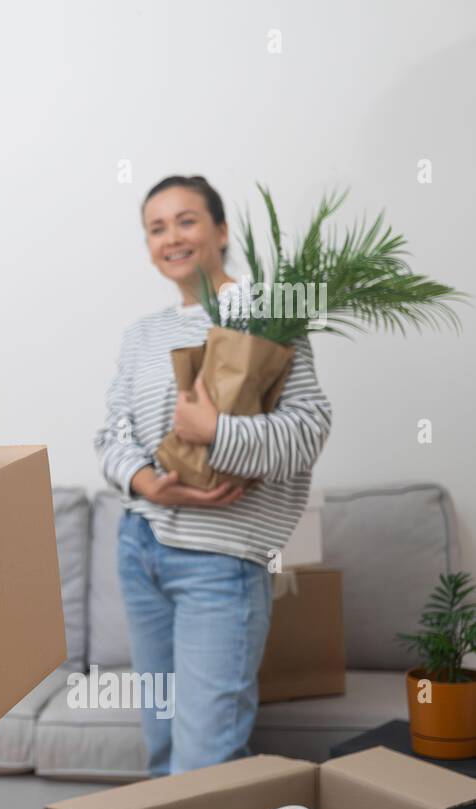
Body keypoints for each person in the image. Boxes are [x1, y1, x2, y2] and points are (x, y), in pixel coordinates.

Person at [94, 174, 332, 777]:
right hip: (139, 550)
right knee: (165, 753)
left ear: (221, 231)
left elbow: (308, 431)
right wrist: (147, 483)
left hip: (220, 563)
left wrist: (215, 433)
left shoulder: (267, 315)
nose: (171, 237)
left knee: (204, 766)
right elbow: (112, 435)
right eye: (157, 227)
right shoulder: (141, 336)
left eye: (187, 220)